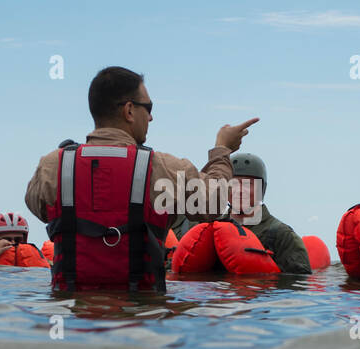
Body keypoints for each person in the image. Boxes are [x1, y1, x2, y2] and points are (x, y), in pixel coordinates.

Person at [24, 66, 255, 289]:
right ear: (129, 111)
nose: (151, 117)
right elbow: (213, 204)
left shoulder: (52, 165)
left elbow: (40, 209)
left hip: (72, 311)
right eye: (148, 107)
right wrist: (222, 149)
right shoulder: (165, 168)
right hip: (142, 314)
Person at [173, 153, 311, 273]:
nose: (239, 190)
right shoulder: (209, 227)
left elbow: (297, 283)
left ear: (261, 189)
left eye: (247, 185)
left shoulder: (282, 235)